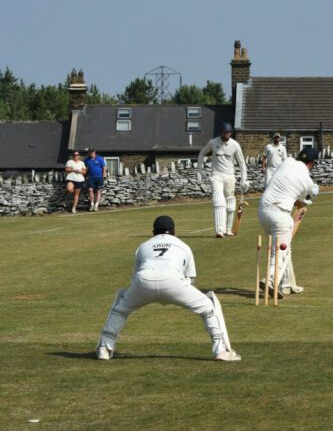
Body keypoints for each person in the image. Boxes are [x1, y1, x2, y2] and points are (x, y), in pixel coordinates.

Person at [96, 216, 241, 361]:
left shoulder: (143, 246)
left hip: (143, 281)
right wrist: (177, 296)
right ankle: (220, 351)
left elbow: (134, 277)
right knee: (209, 306)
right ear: (174, 231)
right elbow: (190, 279)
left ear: (153, 232)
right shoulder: (183, 245)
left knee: (120, 307)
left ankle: (104, 348)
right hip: (174, 281)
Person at [258, 147, 319, 297]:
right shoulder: (308, 181)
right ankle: (270, 280)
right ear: (312, 164)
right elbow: (304, 200)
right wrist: (309, 197)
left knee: (281, 248)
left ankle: (287, 285)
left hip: (263, 210)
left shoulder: (287, 162)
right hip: (280, 214)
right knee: (281, 251)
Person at [197, 123, 249, 237]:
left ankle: (228, 229)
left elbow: (242, 164)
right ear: (221, 132)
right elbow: (202, 153)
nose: (226, 134)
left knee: (230, 204)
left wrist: (244, 179)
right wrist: (199, 170)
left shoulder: (235, 145)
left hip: (229, 176)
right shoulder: (213, 142)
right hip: (216, 175)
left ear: (231, 133)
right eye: (224, 132)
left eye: (228, 133)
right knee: (219, 201)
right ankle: (219, 230)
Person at [83, 147, 106, 211]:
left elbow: (104, 167)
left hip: (99, 177)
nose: (91, 153)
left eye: (92, 151)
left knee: (98, 191)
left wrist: (103, 175)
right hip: (91, 177)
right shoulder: (86, 160)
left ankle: (96, 205)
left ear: (94, 152)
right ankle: (92, 204)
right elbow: (84, 168)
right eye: (90, 152)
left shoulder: (100, 158)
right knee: (90, 190)